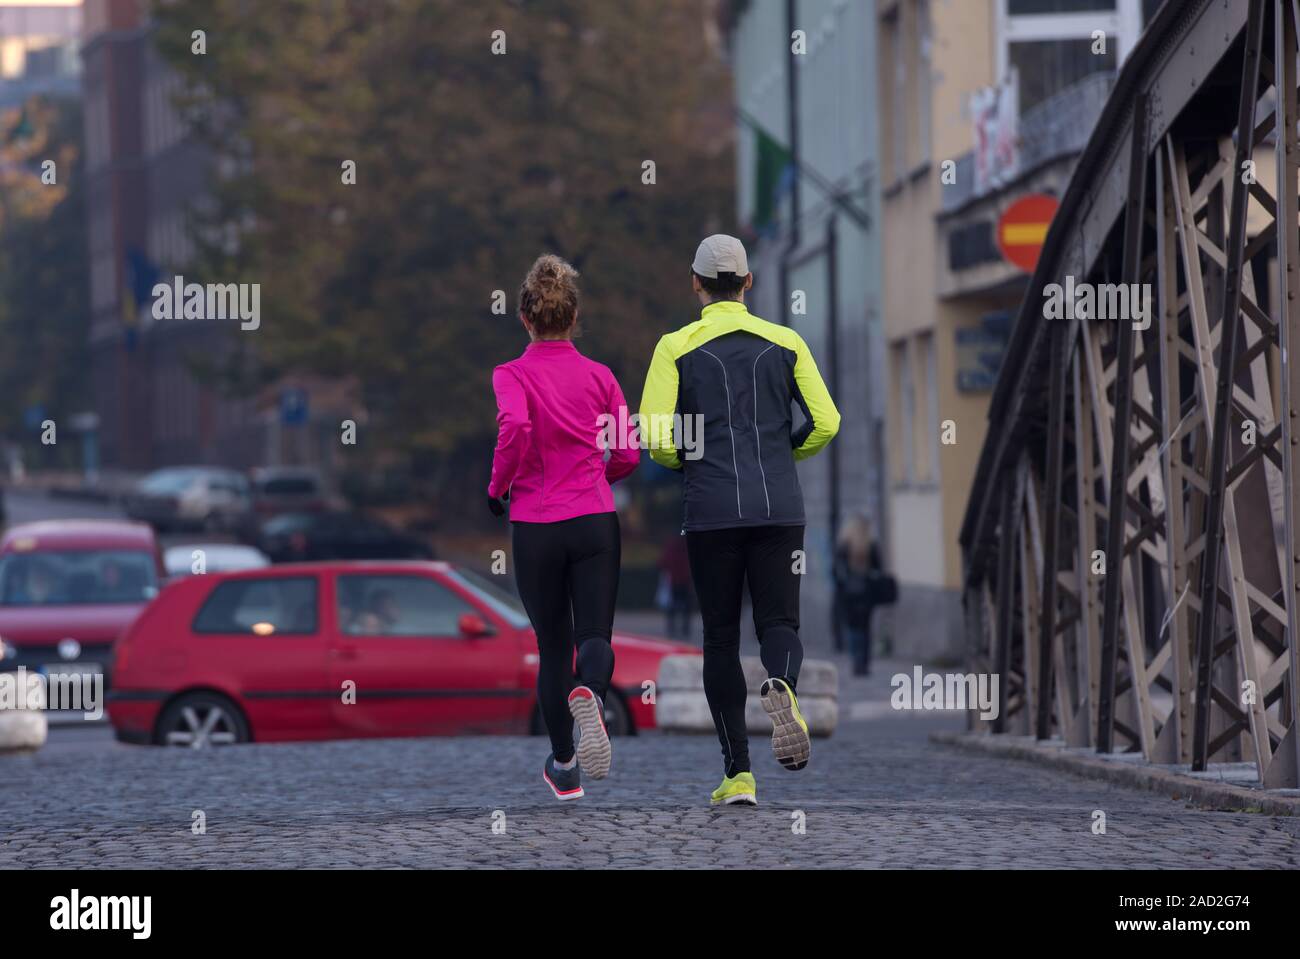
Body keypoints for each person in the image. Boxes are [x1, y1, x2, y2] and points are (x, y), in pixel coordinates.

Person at [639, 234, 840, 806]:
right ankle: (782, 686)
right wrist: (785, 456)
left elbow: (653, 437)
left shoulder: (674, 347)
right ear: (749, 283)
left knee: (720, 639)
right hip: (780, 508)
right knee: (780, 624)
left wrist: (690, 461)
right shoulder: (787, 341)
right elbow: (827, 421)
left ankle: (739, 776)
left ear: (696, 284)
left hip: (711, 510)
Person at [488, 253, 640, 801]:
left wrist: (497, 485)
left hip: (536, 524)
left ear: (525, 319)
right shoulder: (602, 377)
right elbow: (627, 451)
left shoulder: (510, 374)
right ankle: (593, 695)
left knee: (552, 646)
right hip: (595, 517)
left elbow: (515, 425)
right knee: (594, 635)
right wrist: (602, 473)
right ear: (574, 318)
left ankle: (564, 763)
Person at [833, 513, 882, 676]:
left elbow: (836, 571)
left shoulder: (844, 545)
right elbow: (878, 568)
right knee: (866, 628)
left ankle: (856, 661)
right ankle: (864, 663)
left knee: (853, 628)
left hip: (849, 593)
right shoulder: (870, 544)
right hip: (867, 593)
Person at [657, 534, 694, 639]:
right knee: (687, 605)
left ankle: (671, 627)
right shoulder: (686, 546)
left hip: (673, 580)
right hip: (685, 580)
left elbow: (663, 562)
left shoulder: (671, 546)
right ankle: (685, 627)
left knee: (671, 605)